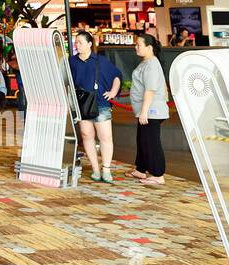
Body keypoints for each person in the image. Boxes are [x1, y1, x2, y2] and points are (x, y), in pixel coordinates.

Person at [69, 31, 122, 182]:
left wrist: (112, 92)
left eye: (80, 42)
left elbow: (116, 75)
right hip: (83, 104)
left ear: (89, 44)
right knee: (86, 134)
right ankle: (95, 169)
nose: (77, 45)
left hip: (101, 103)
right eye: (76, 42)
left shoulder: (100, 60)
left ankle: (106, 169)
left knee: (105, 136)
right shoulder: (72, 62)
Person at [129, 32, 169, 186]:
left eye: (138, 45)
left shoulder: (152, 64)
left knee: (151, 142)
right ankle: (141, 169)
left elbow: (150, 90)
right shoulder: (146, 62)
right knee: (142, 140)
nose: (136, 47)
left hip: (152, 111)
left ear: (149, 47)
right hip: (145, 110)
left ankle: (158, 174)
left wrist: (144, 111)